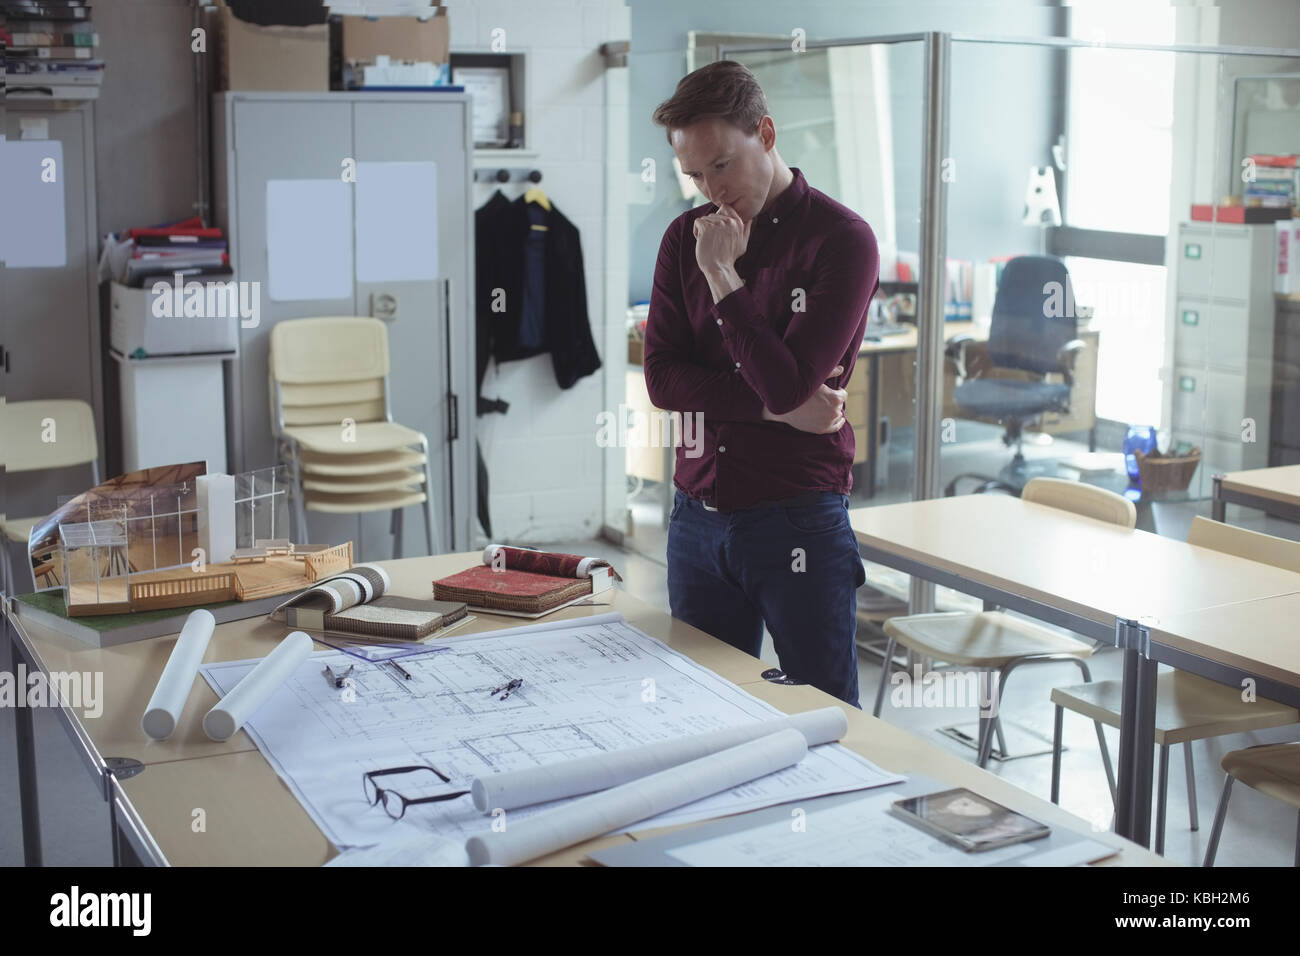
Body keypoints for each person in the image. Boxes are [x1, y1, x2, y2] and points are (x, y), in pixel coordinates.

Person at [644, 60, 880, 707]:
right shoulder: (680, 238)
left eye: (721, 165)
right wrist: (780, 412)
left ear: (766, 134)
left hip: (795, 519)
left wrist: (724, 278)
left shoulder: (843, 242)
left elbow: (787, 381)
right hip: (695, 520)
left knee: (826, 718)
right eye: (693, 174)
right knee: (703, 711)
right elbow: (663, 379)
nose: (710, 190)